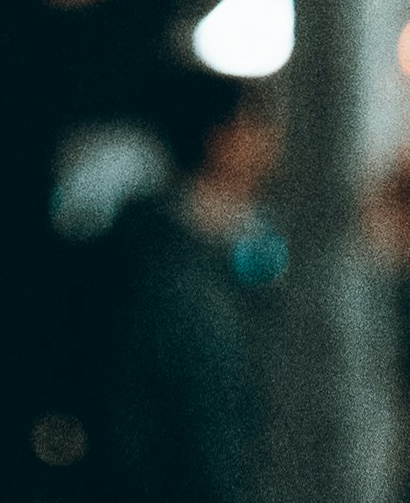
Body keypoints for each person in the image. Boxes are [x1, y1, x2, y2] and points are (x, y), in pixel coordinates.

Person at [85, 67, 281, 502]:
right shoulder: (179, 276)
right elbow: (207, 435)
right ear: (219, 140)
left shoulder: (226, 250)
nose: (271, 141)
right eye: (256, 124)